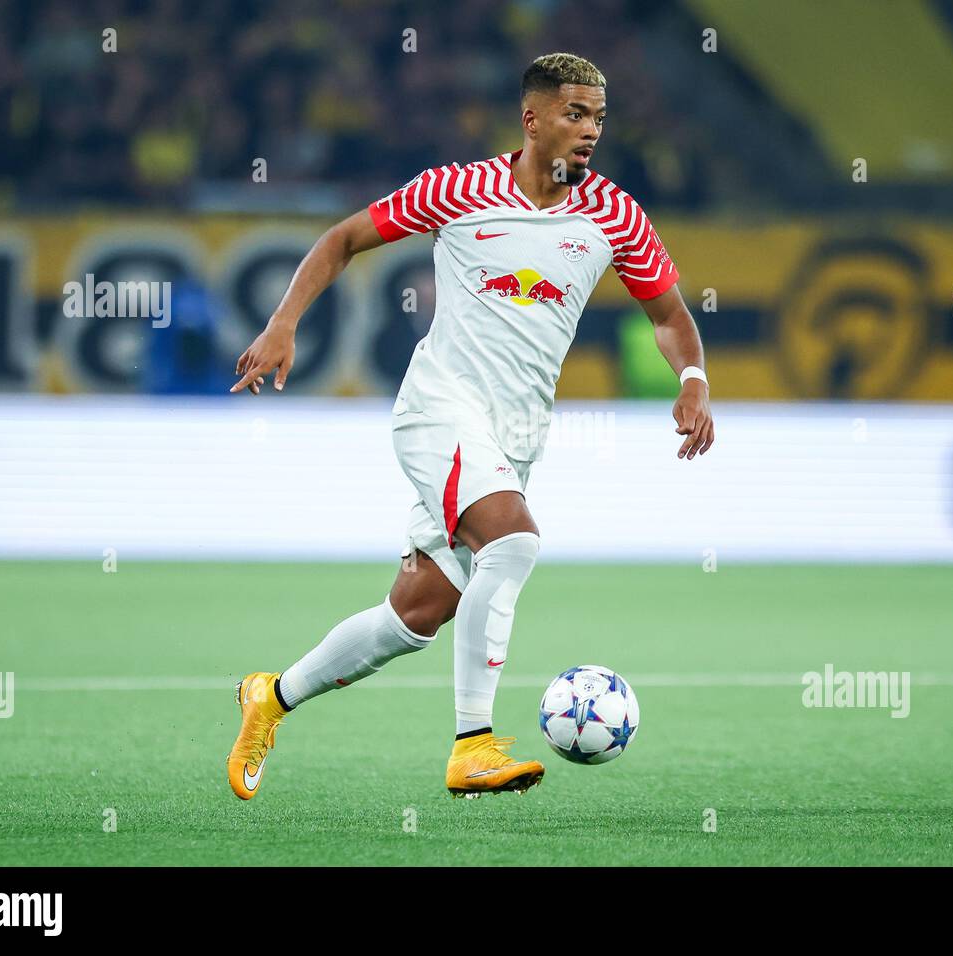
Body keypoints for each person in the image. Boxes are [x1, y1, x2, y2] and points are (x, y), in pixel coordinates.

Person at [226, 52, 714, 799]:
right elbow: (342, 240)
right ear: (533, 118)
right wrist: (284, 323)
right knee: (514, 541)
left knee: (414, 617)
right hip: (439, 412)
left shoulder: (614, 215)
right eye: (575, 115)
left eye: (599, 119)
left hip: (516, 439)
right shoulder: (458, 190)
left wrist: (693, 379)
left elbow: (672, 316)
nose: (590, 132)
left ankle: (272, 695)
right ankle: (472, 745)